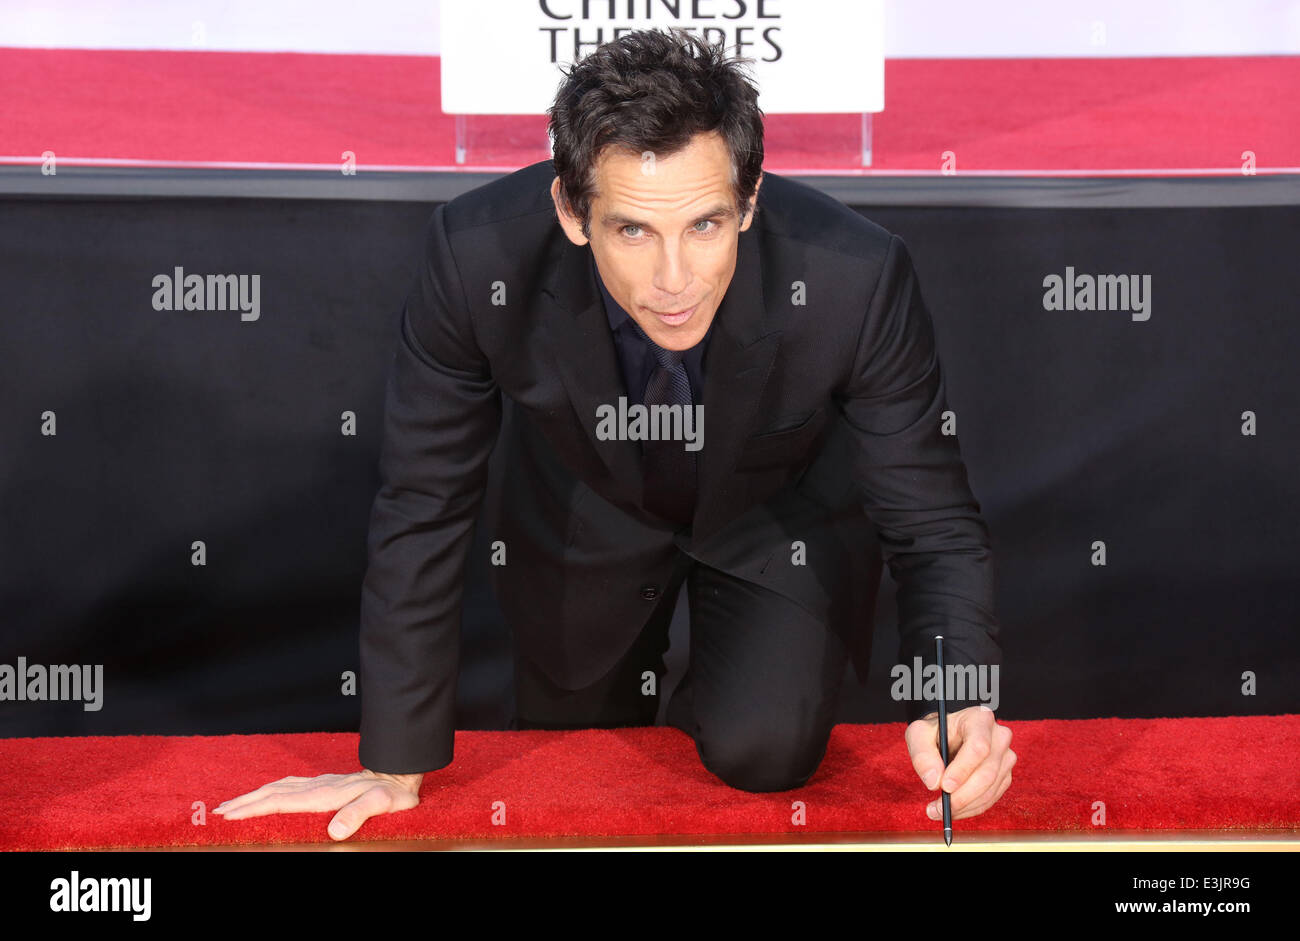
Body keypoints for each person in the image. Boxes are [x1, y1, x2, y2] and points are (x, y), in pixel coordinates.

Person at [216, 28, 1014, 842]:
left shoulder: (857, 277)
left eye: (705, 224)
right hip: (581, 501)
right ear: (570, 210)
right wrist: (392, 761)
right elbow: (424, 502)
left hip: (777, 512)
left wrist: (958, 698)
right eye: (633, 230)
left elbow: (933, 519)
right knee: (578, 768)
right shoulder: (474, 259)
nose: (674, 280)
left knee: (765, 753)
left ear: (749, 199)